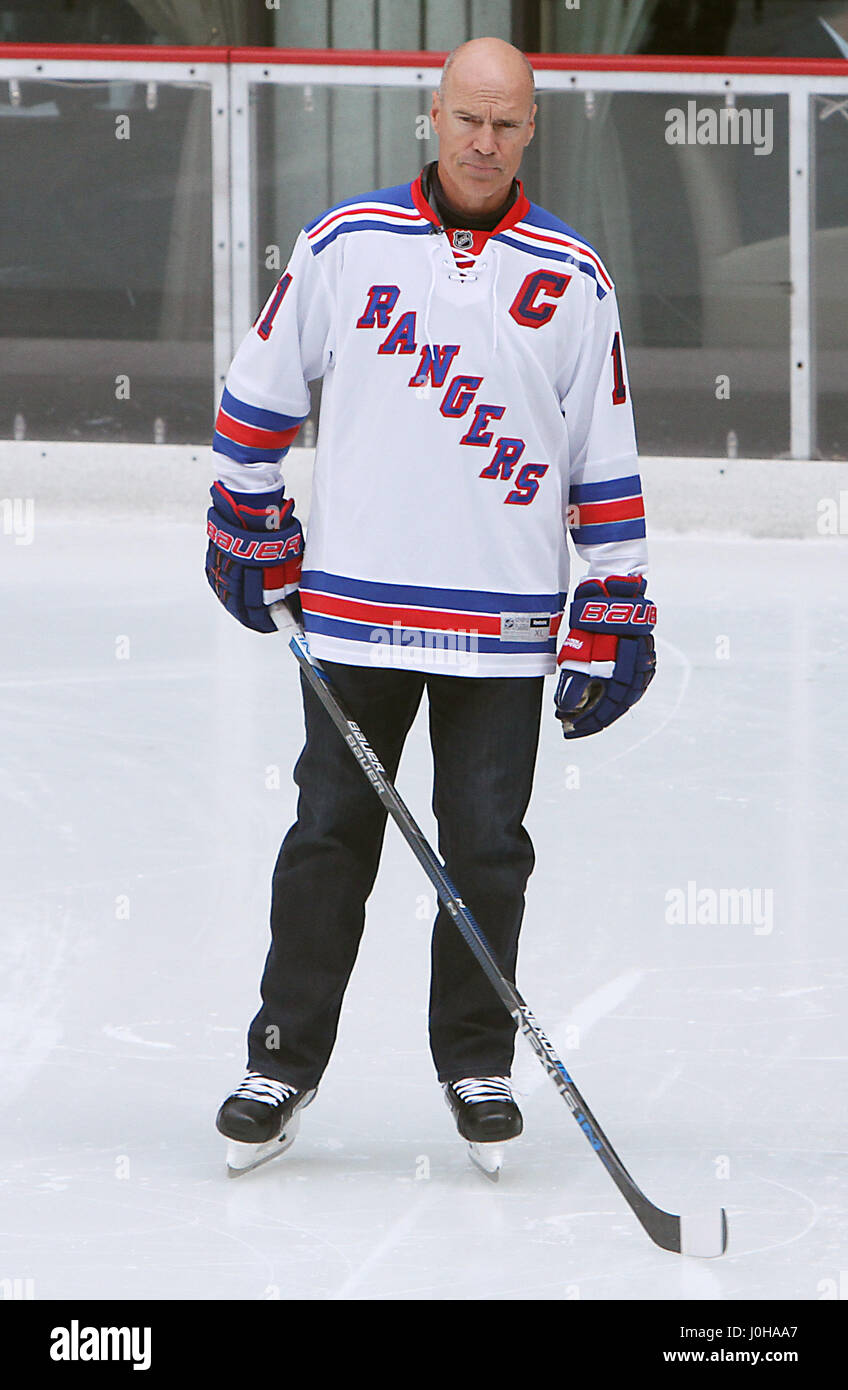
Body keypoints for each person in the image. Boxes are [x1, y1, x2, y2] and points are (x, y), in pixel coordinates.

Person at [205, 37, 656, 1177]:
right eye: (467, 119)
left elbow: (603, 458)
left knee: (489, 852)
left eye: (505, 126)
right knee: (326, 841)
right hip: (353, 615)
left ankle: (474, 1060)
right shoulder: (346, 243)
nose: (482, 143)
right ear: (433, 112)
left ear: (530, 130)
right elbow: (258, 396)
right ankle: (282, 1057)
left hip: (502, 630)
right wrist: (242, 513)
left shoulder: (571, 275)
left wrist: (614, 597)